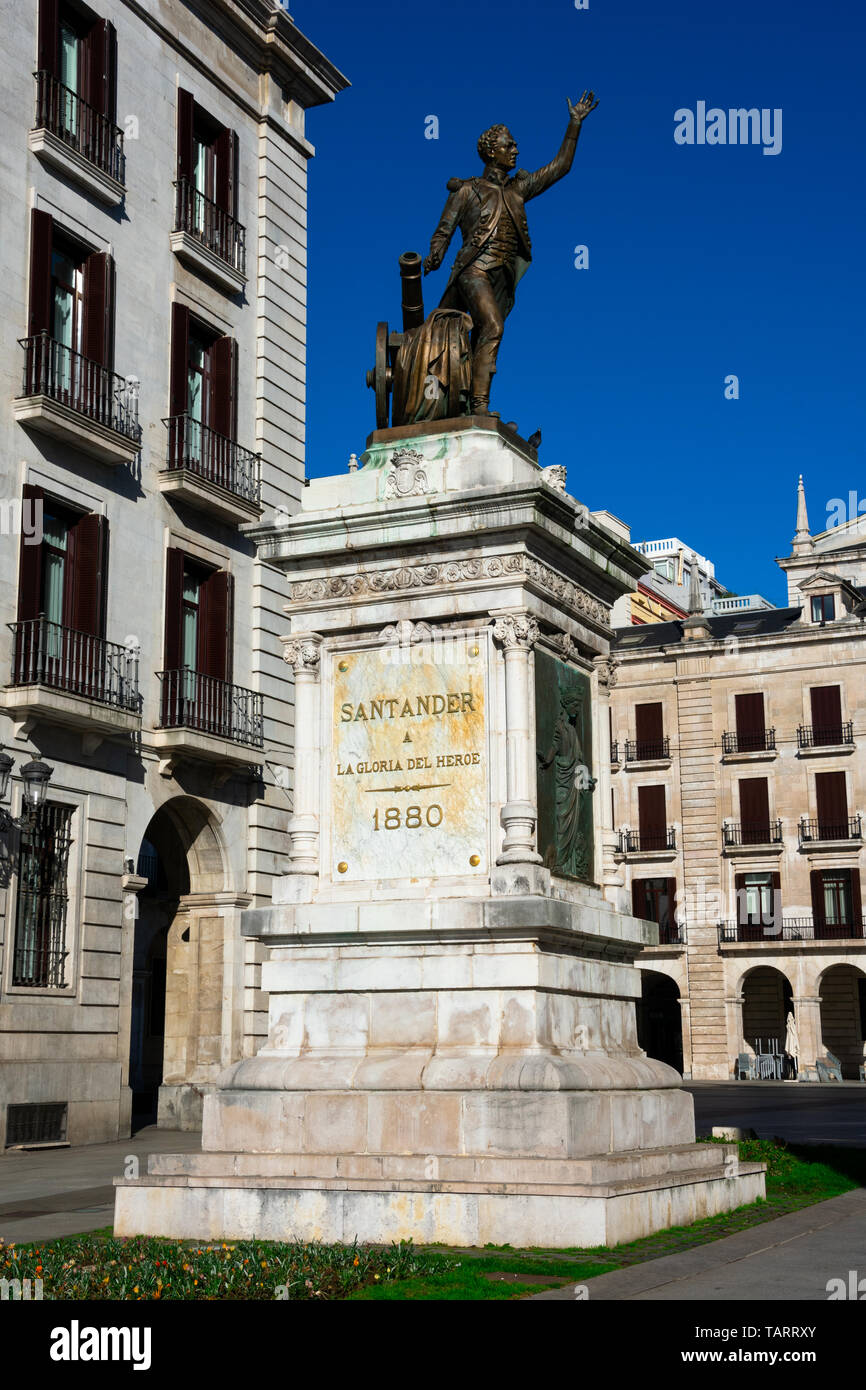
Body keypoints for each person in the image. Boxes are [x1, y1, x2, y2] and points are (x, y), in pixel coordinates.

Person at [423, 92, 598, 414]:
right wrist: (435, 255)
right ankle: (479, 405)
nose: (516, 150)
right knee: (493, 327)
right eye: (509, 145)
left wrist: (574, 125)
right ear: (492, 152)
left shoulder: (518, 190)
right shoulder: (466, 190)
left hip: (504, 276)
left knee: (480, 339)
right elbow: (444, 230)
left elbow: (561, 167)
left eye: (514, 145)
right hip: (474, 271)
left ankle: (463, 403)